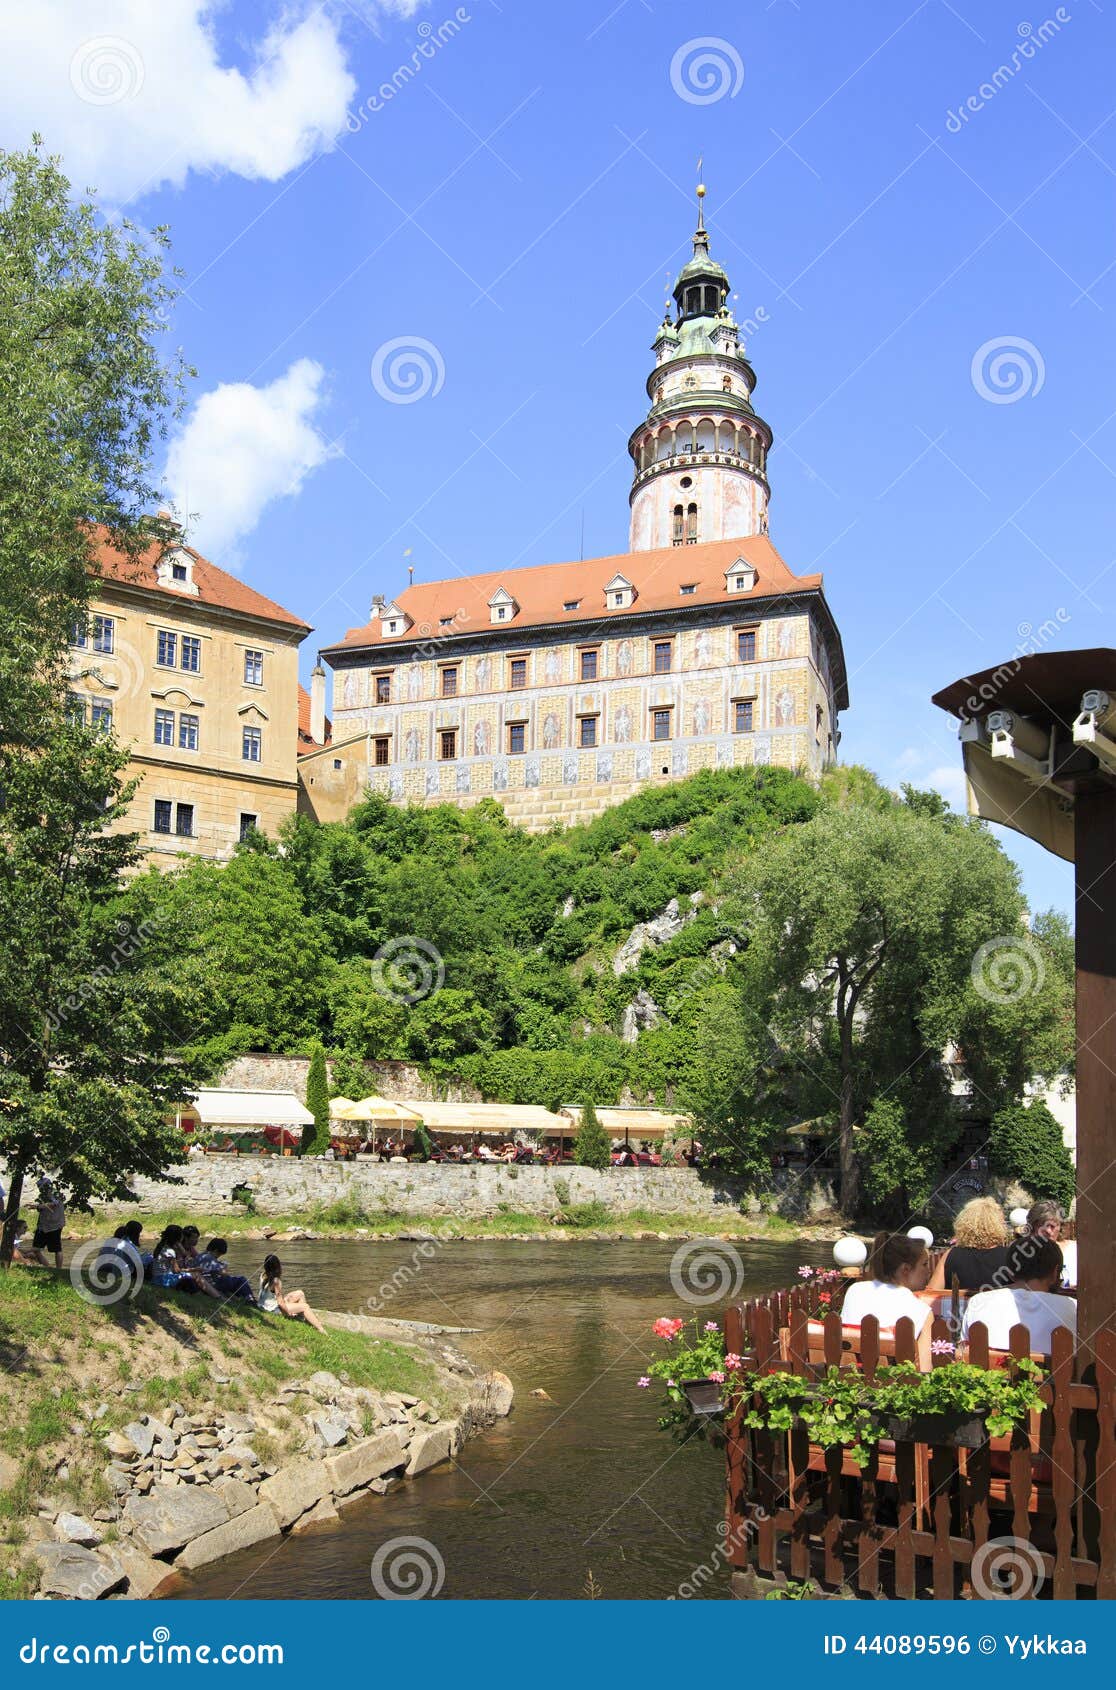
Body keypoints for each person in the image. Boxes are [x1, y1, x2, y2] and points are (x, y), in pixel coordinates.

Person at [961, 1238, 1077, 1353]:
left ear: (1010, 1272)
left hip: (986, 1366)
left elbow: (963, 1350)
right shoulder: (1072, 1307)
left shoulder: (978, 1302)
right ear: (1055, 1272)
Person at [840, 1232, 933, 1367]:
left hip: (846, 1375)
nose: (928, 1271)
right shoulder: (922, 1310)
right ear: (905, 1269)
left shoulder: (854, 1290)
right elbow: (925, 1368)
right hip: (891, 1379)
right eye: (924, 1264)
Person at [927, 1196, 1013, 1292]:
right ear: (997, 1226)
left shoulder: (950, 1255)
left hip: (959, 1302)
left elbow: (931, 1292)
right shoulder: (1009, 1256)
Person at [258, 1254, 325, 1332]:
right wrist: (288, 1313)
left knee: (300, 1293)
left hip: (264, 1305)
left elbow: (275, 1297)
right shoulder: (276, 1281)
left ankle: (304, 1318)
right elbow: (280, 1303)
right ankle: (321, 1330)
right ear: (277, 1266)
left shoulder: (263, 1275)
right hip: (273, 1309)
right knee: (305, 1306)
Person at [150, 1225, 220, 1297]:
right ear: (178, 1238)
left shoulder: (161, 1246)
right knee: (196, 1275)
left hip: (156, 1278)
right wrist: (193, 1270)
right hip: (163, 1280)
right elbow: (176, 1271)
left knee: (195, 1275)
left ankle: (213, 1293)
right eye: (181, 1235)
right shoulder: (170, 1251)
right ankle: (217, 1296)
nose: (182, 1237)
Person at [193, 1236, 256, 1304]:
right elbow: (224, 1273)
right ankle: (250, 1299)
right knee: (241, 1279)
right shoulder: (209, 1258)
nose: (218, 1256)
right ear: (215, 1250)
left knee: (234, 1281)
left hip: (205, 1283)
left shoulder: (200, 1256)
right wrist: (224, 1266)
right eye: (219, 1254)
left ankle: (244, 1298)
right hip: (212, 1284)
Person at [33, 1177, 65, 1268]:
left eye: (41, 1187)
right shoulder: (42, 1196)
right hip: (43, 1226)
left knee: (57, 1249)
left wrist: (38, 1206)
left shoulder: (55, 1193)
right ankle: (48, 1267)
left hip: (54, 1225)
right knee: (36, 1248)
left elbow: (54, 1204)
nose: (40, 1189)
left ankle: (59, 1270)